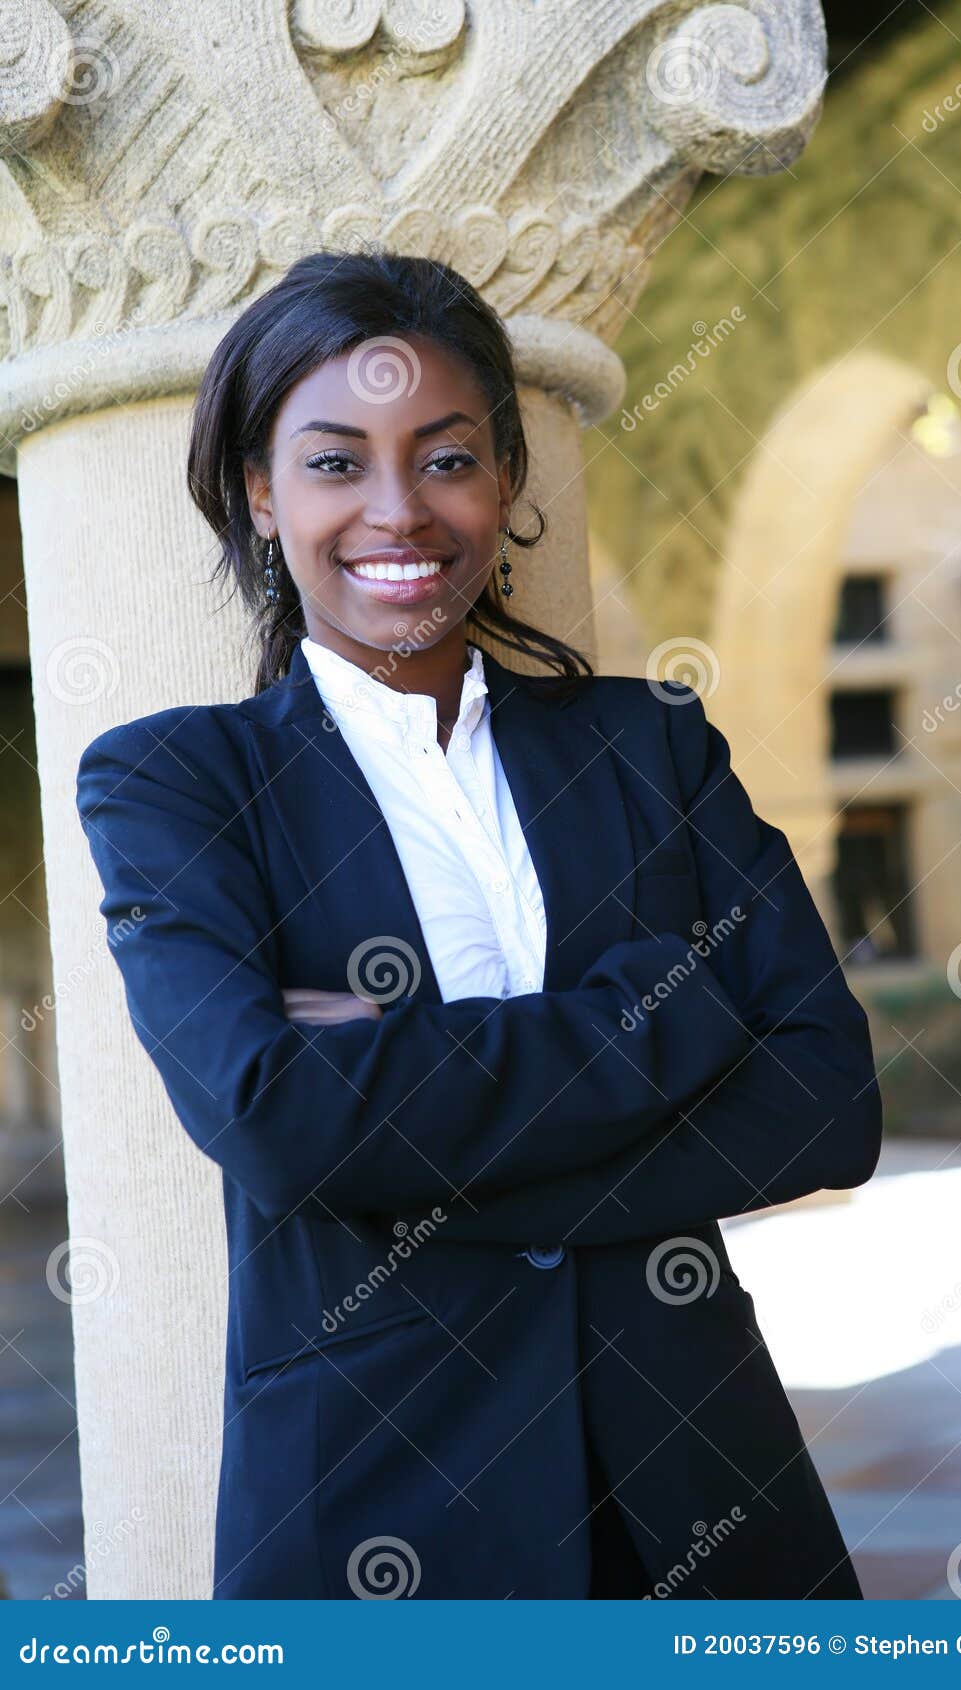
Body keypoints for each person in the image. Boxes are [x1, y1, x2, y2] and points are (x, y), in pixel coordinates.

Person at [75, 248, 882, 1601]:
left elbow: (824, 1103)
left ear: (505, 481)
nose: (399, 510)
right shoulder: (178, 783)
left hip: (700, 1486)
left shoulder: (651, 751)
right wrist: (671, 1013)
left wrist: (398, 1113)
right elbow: (274, 1113)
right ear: (262, 495)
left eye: (446, 458)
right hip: (375, 1499)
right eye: (335, 463)